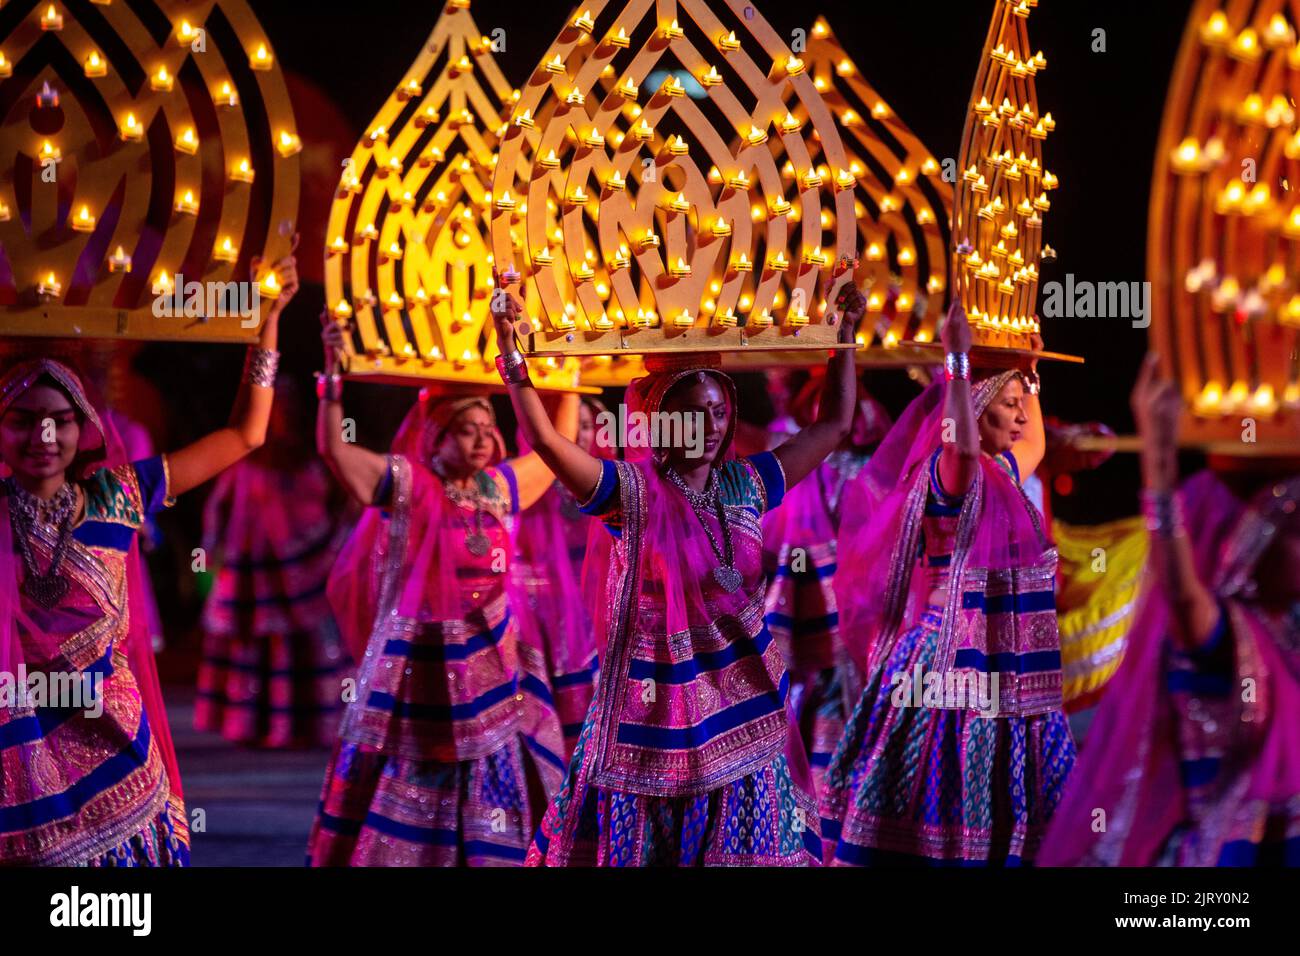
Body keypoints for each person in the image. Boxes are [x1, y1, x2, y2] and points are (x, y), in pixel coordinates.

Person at [491, 268, 866, 866]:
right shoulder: (632, 493)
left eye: (720, 411)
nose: (712, 426)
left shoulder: (747, 482)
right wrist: (514, 362)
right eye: (695, 413)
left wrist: (845, 337)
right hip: (653, 714)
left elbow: (832, 425)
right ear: (663, 420)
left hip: (742, 705)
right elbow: (548, 444)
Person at [0, 249, 300, 865]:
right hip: (23, 749)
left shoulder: (118, 494)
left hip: (121, 752)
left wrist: (265, 325)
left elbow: (246, 433)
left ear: (86, 426)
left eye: (60, 420)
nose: (43, 438)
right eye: (22, 421)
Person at [306, 317, 577, 866]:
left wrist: (569, 373)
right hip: (421, 669)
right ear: (436, 436)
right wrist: (332, 382)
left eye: (486, 426)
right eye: (465, 429)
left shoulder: (498, 487)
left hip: (496, 665)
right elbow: (337, 453)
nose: (481, 438)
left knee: (496, 769)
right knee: (417, 771)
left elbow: (559, 449)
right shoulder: (410, 485)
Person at [820, 300, 1075, 866]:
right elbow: (960, 442)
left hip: (1011, 666)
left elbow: (1034, 442)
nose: (1021, 418)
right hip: (951, 662)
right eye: (1007, 406)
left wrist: (1028, 366)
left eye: (1019, 405)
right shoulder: (952, 469)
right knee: (947, 806)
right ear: (976, 409)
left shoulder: (1003, 471)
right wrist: (957, 359)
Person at [1039, 355, 1300, 866]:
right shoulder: (1227, 637)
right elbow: (1183, 597)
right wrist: (1159, 467)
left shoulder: (1285, 628)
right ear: (1252, 548)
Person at [196, 380, 351, 748]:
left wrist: (335, 542)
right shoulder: (243, 460)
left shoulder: (312, 459)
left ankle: (301, 728)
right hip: (254, 570)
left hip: (304, 565)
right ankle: (254, 726)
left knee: (302, 645)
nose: (278, 413)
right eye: (272, 406)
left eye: (284, 406)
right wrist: (210, 547)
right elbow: (218, 508)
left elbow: (341, 503)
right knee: (257, 646)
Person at [762, 371, 891, 797]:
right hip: (821, 594)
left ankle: (836, 796)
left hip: (861, 596)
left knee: (849, 692)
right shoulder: (791, 441)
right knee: (816, 692)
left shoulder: (870, 456)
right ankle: (814, 794)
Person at [514, 396, 608, 758]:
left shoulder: (607, 481)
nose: (580, 435)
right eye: (570, 426)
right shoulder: (531, 488)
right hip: (546, 625)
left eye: (586, 426)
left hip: (600, 619)